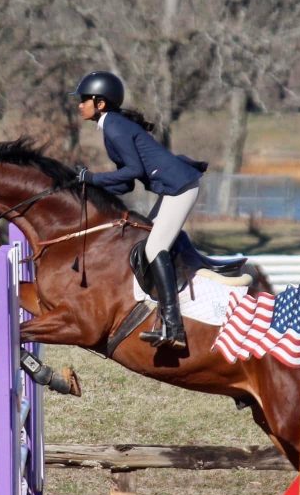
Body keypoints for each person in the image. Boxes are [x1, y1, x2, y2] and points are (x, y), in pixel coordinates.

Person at [70, 70, 207, 349]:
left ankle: (174, 328)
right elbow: (127, 183)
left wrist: (93, 178)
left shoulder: (114, 126)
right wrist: (93, 184)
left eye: (84, 100)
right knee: (146, 241)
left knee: (154, 248)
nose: (79, 105)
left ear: (100, 104)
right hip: (174, 187)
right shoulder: (112, 125)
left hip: (179, 188)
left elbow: (133, 170)